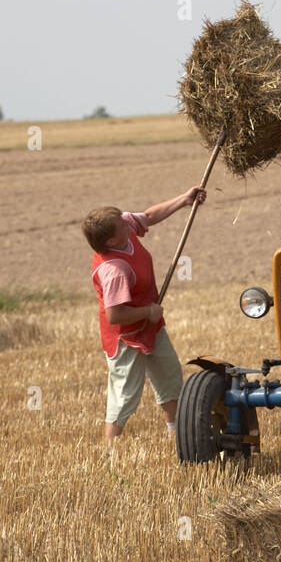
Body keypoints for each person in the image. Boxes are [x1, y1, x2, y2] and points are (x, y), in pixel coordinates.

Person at [81, 189, 206, 446]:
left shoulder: (121, 227)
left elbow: (148, 216)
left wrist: (184, 199)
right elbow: (114, 314)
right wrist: (148, 312)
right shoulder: (114, 270)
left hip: (151, 325)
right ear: (111, 243)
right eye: (123, 227)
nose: (129, 226)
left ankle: (175, 436)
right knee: (125, 394)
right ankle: (110, 451)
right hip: (125, 336)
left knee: (169, 375)